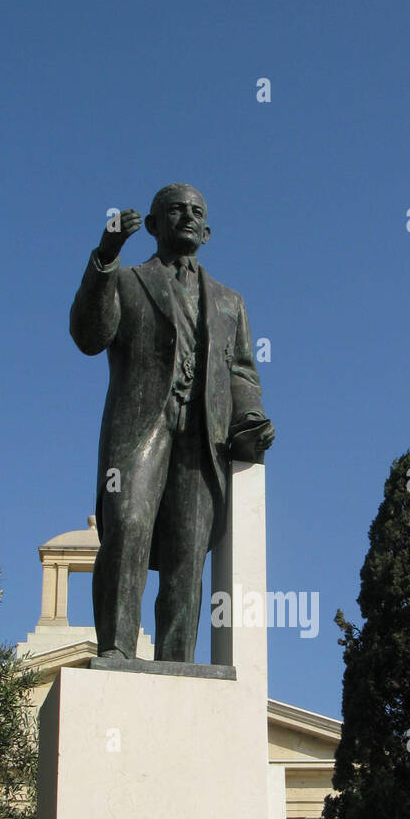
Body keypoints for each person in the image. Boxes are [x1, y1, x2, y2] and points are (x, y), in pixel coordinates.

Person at [70, 183, 274, 663]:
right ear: (155, 225)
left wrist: (250, 417)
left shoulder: (230, 301)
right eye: (174, 210)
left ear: (208, 229)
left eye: (196, 211)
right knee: (128, 526)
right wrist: (105, 256)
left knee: (189, 552)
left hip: (204, 435)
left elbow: (242, 371)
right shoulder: (125, 281)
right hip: (141, 427)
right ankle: (118, 648)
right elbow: (88, 334)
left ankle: (176, 661)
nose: (187, 216)